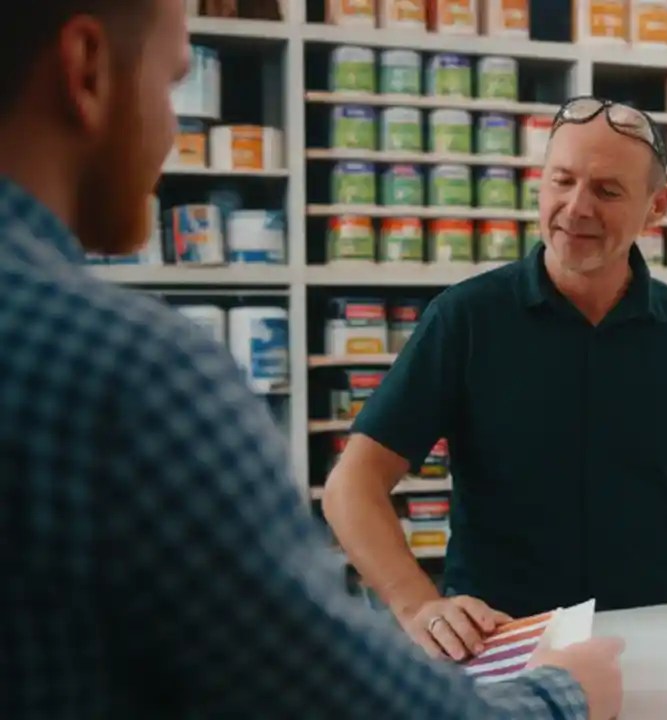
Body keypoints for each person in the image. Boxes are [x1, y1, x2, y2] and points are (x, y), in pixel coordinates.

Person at [0, 2, 623, 717]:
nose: (174, 130)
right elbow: (336, 705)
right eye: (173, 85)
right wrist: (565, 694)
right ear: (86, 69)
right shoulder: (130, 379)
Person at [324, 95, 667, 662]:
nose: (575, 207)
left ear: (657, 207)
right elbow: (352, 486)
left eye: (607, 191)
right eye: (561, 181)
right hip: (499, 644)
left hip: (645, 640)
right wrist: (418, 606)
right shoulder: (467, 318)